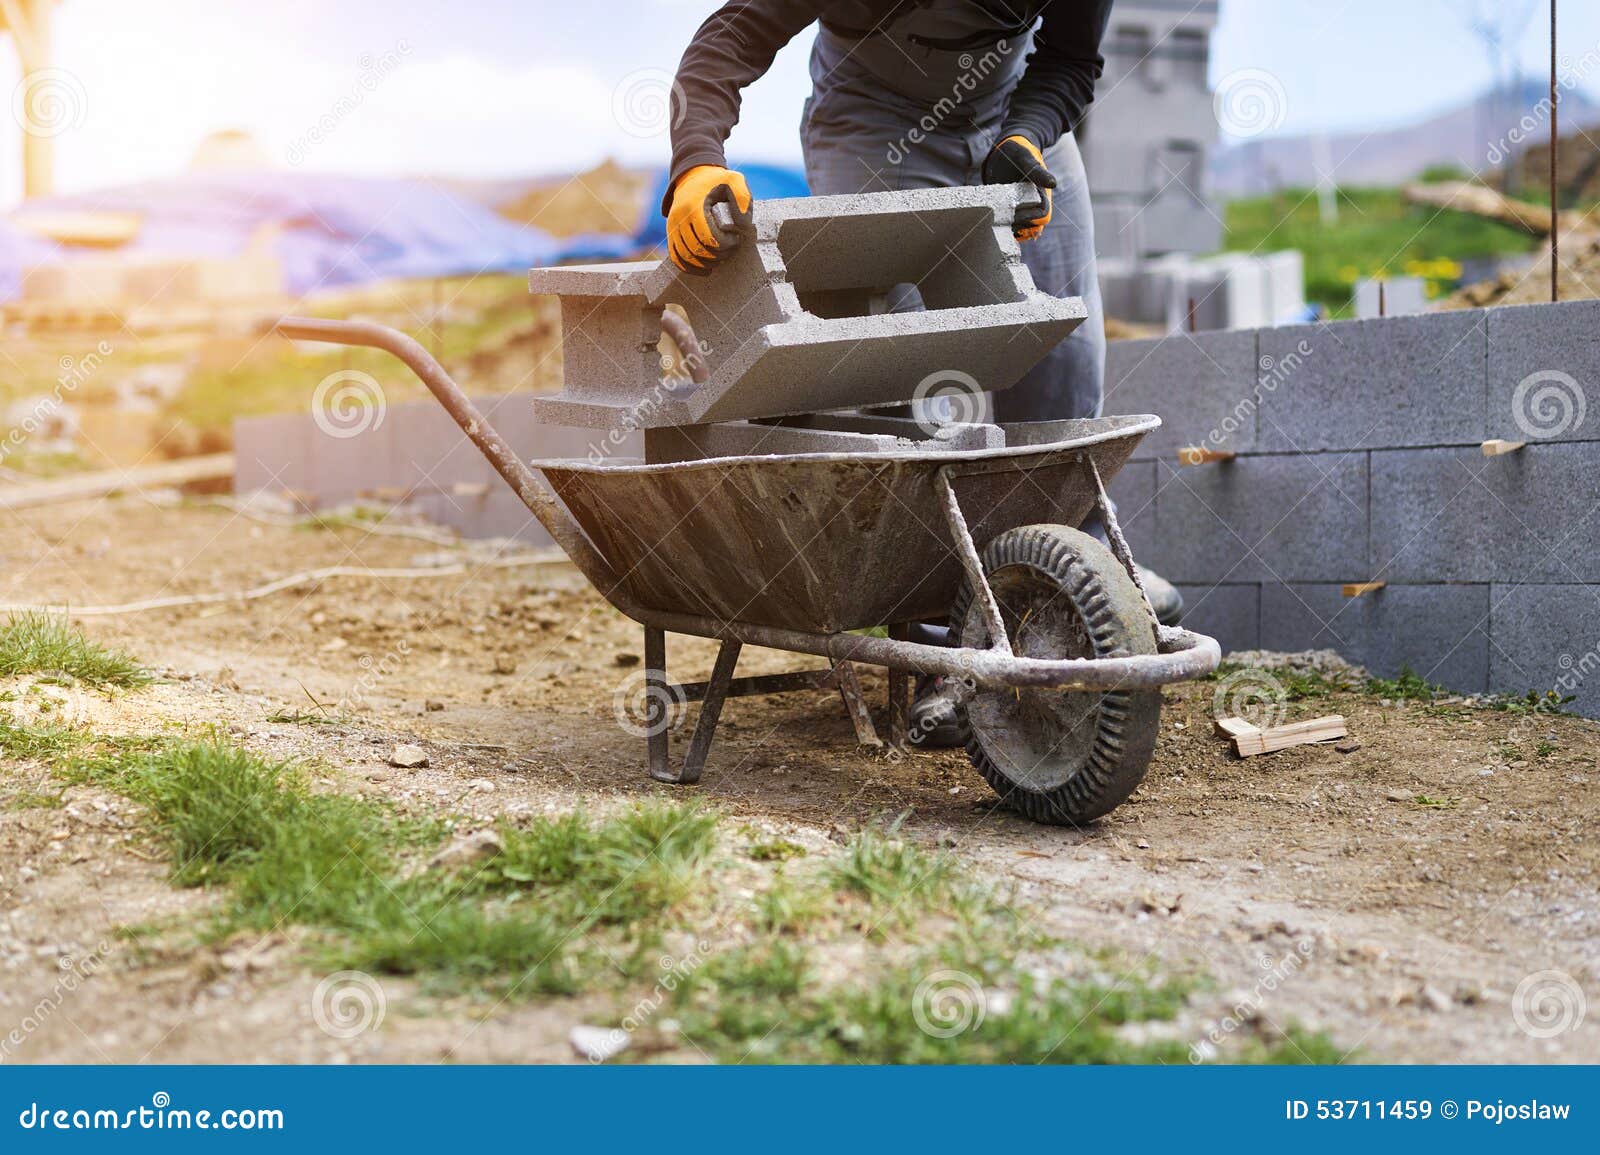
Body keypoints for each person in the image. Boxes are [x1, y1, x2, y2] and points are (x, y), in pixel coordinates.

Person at [662, 1, 1183, 743]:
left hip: (1009, 118)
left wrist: (1025, 137)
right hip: (875, 125)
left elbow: (1070, 60)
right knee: (923, 368)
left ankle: (1069, 578)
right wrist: (696, 160)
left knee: (1061, 349)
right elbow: (732, 36)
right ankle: (948, 643)